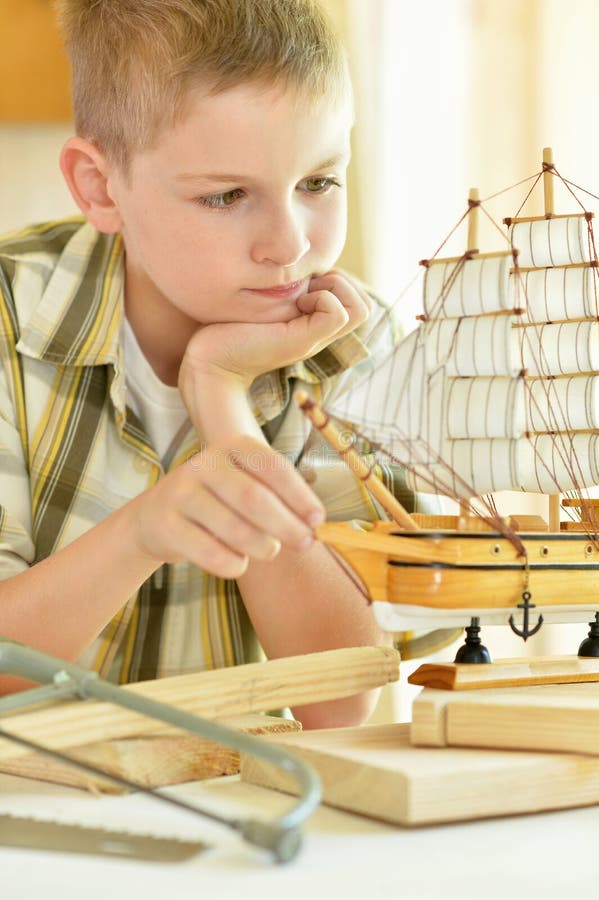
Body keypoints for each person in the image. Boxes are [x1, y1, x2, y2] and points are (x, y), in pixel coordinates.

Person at [0, 0, 453, 720]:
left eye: (318, 183)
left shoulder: (355, 345)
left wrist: (221, 399)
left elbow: (339, 702)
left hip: (250, 805)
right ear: (99, 186)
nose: (288, 244)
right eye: (225, 195)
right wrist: (144, 531)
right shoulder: (9, 314)